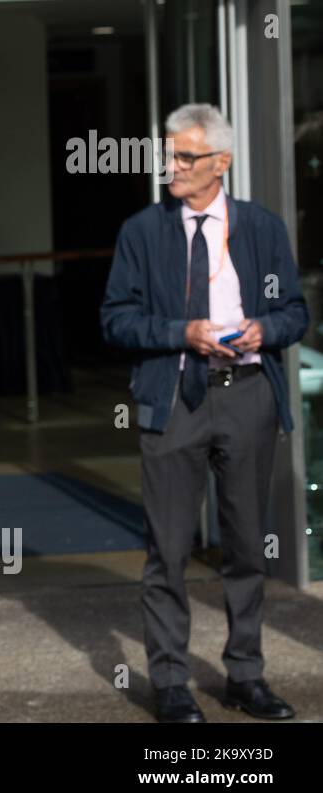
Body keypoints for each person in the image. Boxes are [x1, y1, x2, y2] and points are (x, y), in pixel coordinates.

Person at [100, 103, 308, 723]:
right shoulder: (142, 231)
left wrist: (262, 328)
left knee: (246, 548)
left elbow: (296, 312)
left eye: (186, 156)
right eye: (169, 154)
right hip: (174, 397)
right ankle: (170, 683)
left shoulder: (263, 228)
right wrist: (180, 331)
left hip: (247, 395)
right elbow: (115, 318)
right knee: (167, 548)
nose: (173, 166)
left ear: (222, 162)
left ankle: (246, 676)